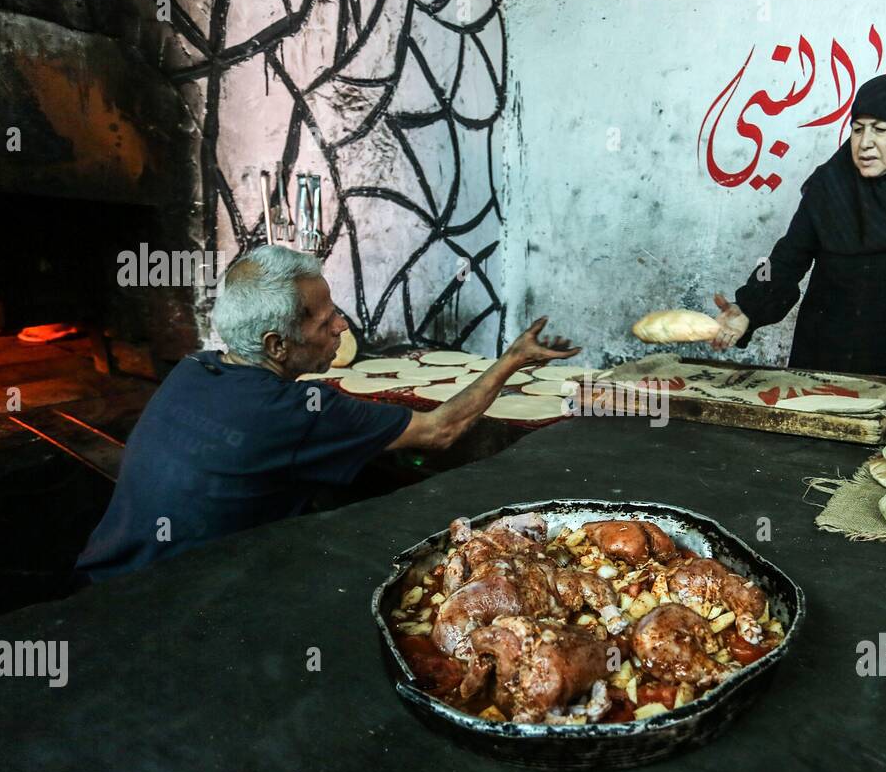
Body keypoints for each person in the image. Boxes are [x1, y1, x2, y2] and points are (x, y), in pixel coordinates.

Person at [75, 245, 577, 583]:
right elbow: (440, 430)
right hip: (165, 603)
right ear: (277, 343)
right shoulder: (293, 411)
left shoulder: (193, 369)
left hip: (104, 573)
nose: (342, 324)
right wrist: (511, 361)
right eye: (326, 318)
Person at [711, 73, 886, 391]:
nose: (865, 143)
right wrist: (746, 308)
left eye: (880, 130)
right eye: (857, 128)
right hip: (818, 361)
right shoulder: (830, 184)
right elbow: (785, 259)